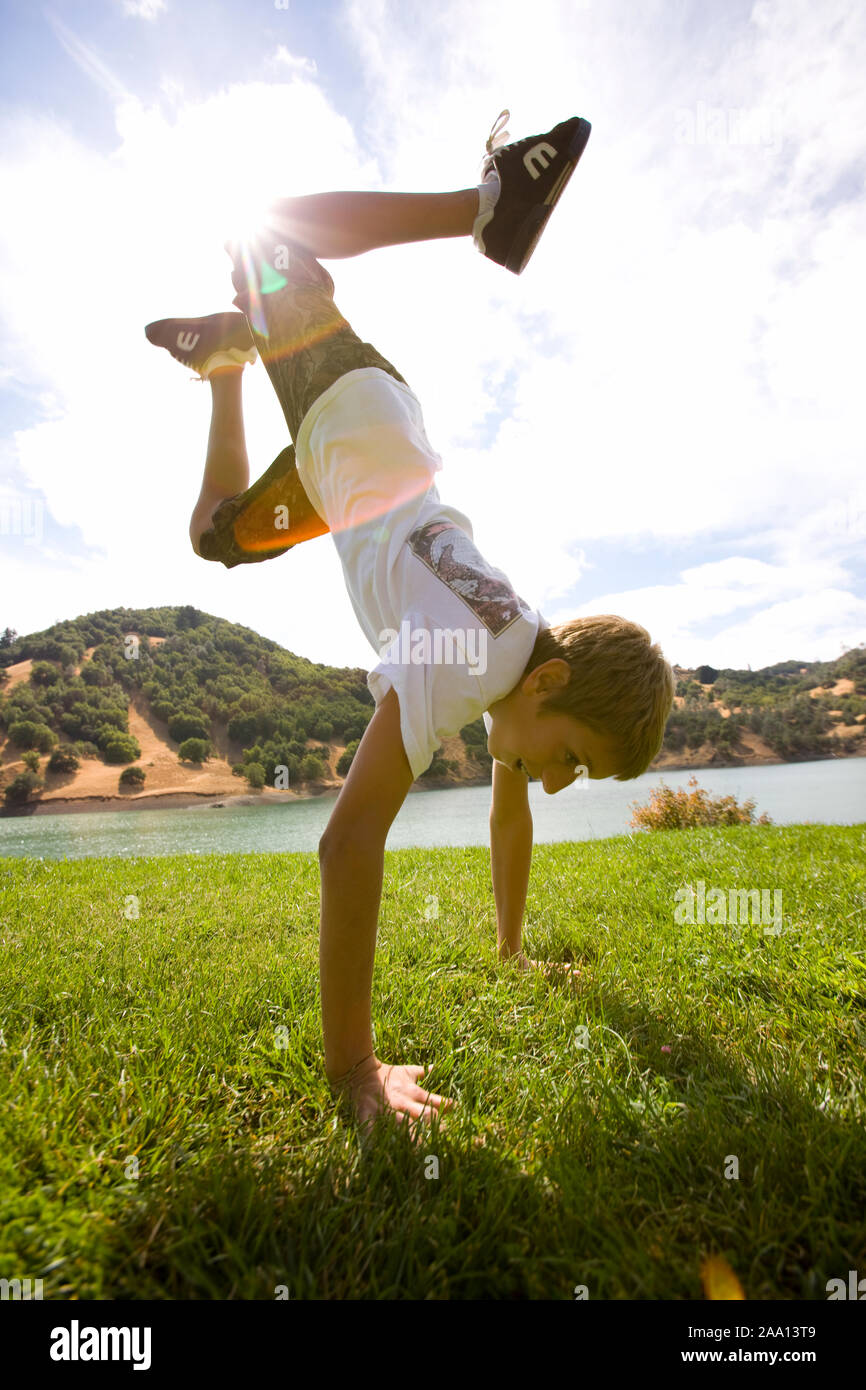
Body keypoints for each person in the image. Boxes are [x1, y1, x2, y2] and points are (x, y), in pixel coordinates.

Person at [145, 111, 675, 1136]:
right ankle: (488, 207)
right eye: (570, 761)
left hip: (348, 455)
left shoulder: (519, 653)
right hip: (354, 426)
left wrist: (512, 947)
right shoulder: (470, 657)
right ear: (552, 693)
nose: (552, 779)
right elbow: (347, 847)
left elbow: (509, 800)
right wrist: (355, 1067)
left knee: (219, 536)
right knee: (262, 233)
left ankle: (226, 362)